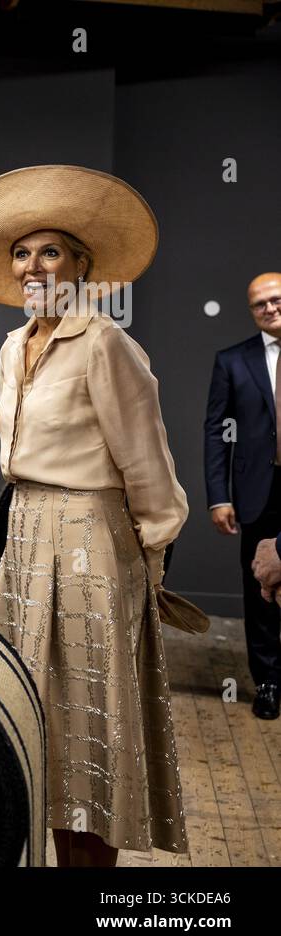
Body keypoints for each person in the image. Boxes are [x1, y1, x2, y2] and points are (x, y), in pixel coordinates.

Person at [0, 165, 189, 867]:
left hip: (91, 544)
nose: (33, 266)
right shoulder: (15, 347)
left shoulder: (107, 344)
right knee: (34, 716)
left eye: (50, 251)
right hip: (23, 539)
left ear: (82, 265)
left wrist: (150, 560)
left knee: (89, 722)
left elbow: (148, 465)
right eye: (22, 253)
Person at [206, 272, 281, 720]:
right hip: (258, 490)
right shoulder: (232, 361)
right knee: (262, 586)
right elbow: (216, 431)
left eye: (277, 300)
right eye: (260, 305)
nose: (270, 309)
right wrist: (219, 496)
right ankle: (268, 680)